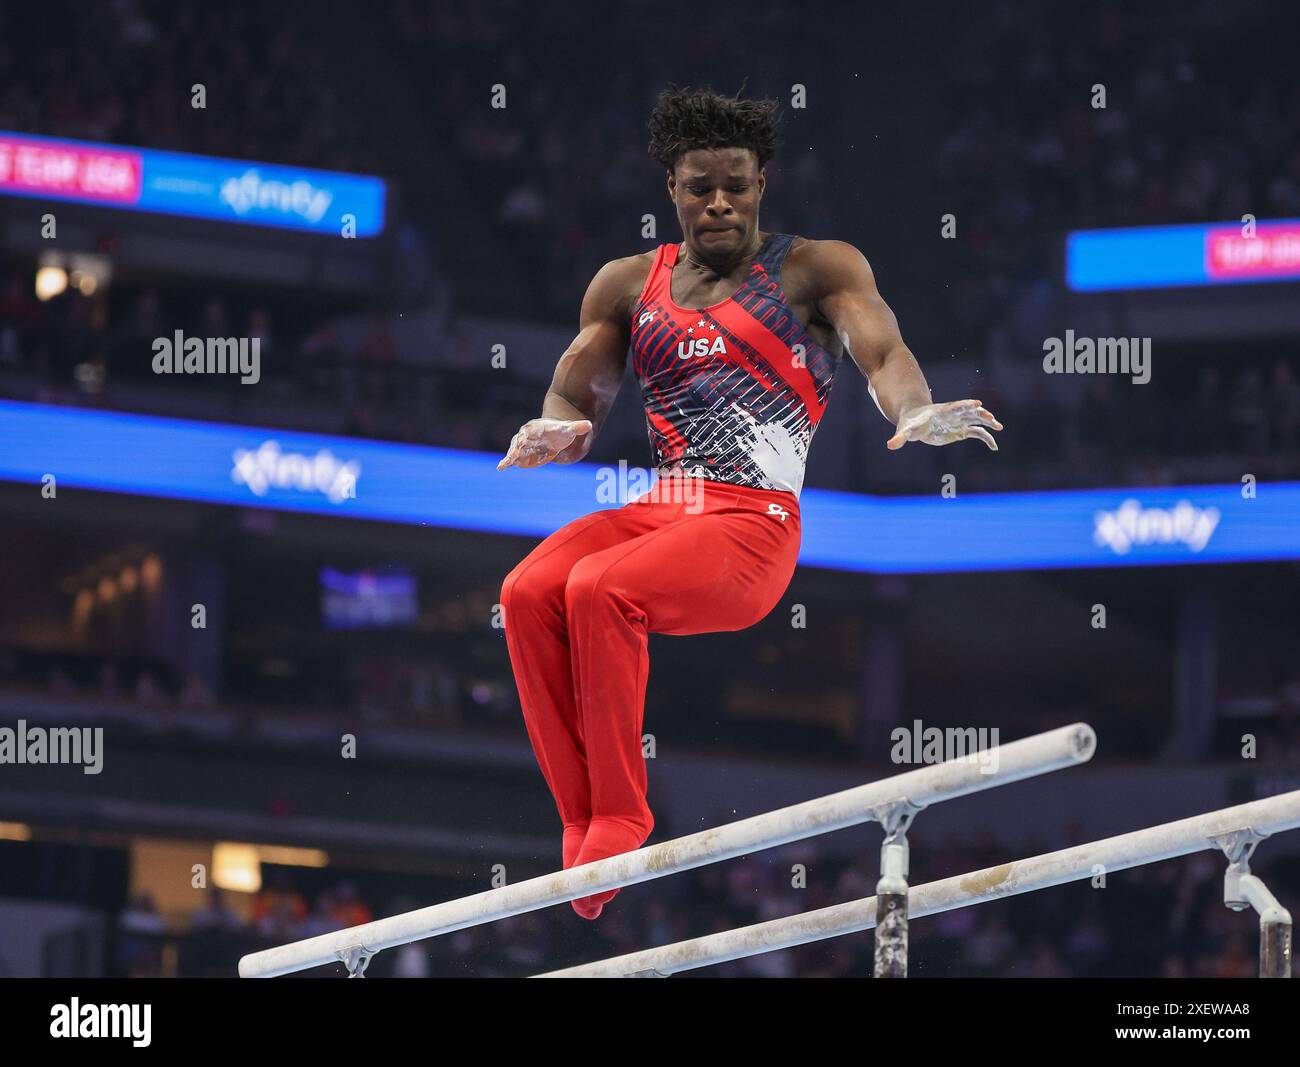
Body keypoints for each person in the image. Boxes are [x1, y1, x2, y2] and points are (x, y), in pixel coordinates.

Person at [498, 86, 1001, 919]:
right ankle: (583, 813)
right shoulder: (628, 284)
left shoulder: (815, 269)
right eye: (700, 185)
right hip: (662, 506)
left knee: (598, 589)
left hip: (750, 527)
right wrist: (557, 428)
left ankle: (624, 810)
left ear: (763, 181)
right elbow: (577, 393)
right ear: (672, 189)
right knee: (526, 594)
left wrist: (912, 407)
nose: (719, 201)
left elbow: (883, 351)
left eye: (735, 182)